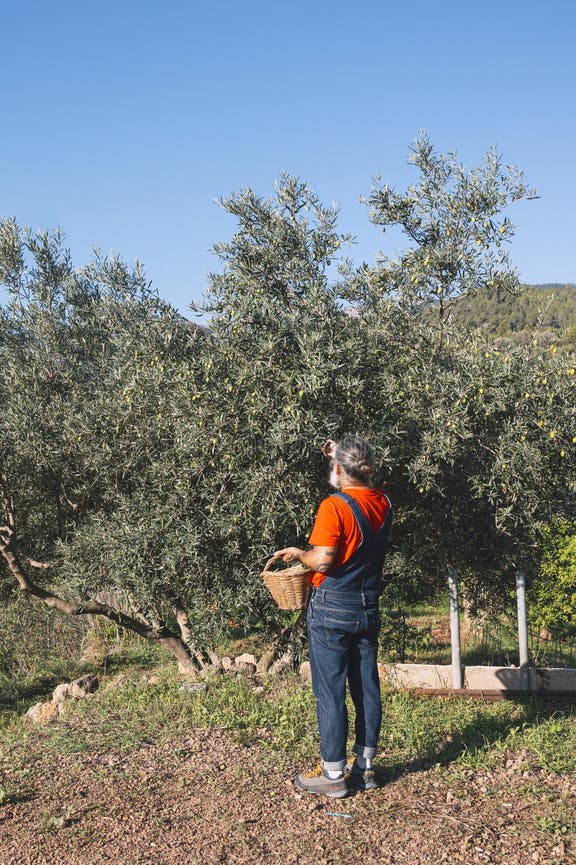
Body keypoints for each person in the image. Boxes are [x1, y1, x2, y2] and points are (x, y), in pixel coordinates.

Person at [274, 435, 392, 798]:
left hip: (332, 605)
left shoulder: (334, 506)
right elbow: (355, 479)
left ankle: (333, 774)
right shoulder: (384, 502)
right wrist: (337, 453)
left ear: (340, 469)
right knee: (366, 687)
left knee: (330, 691)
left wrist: (299, 554)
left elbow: (323, 559)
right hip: (367, 604)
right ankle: (365, 769)